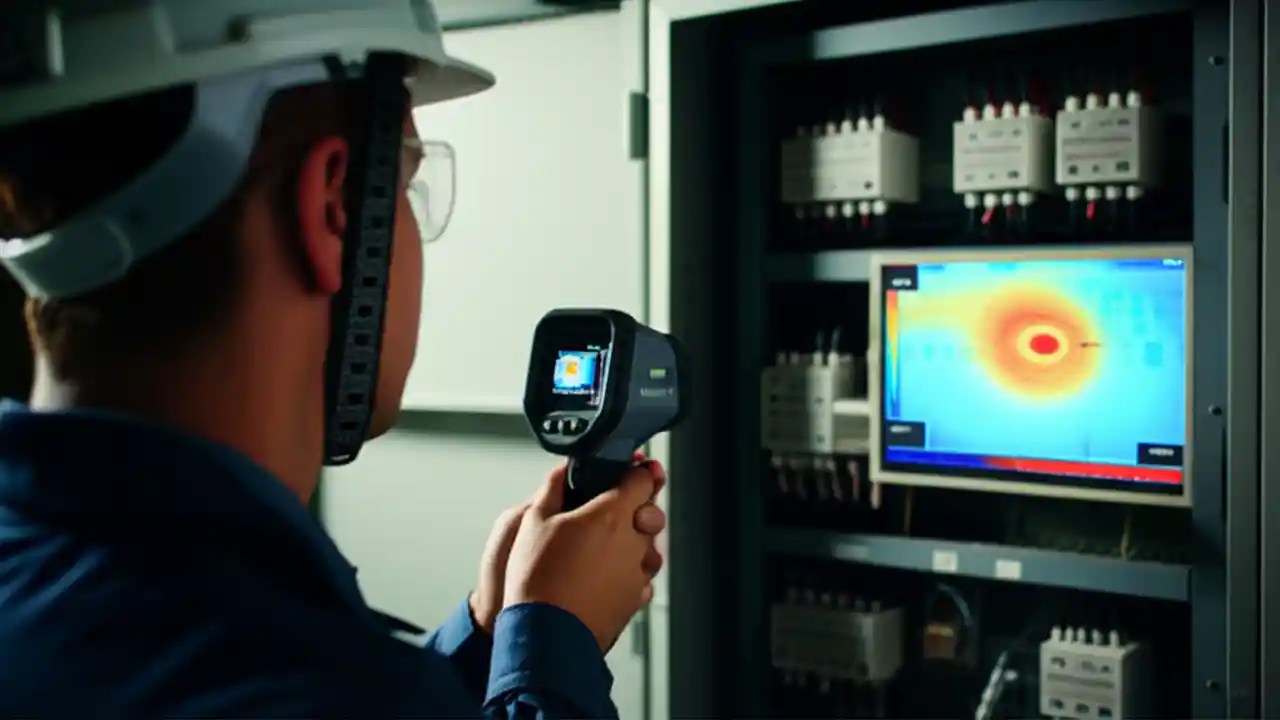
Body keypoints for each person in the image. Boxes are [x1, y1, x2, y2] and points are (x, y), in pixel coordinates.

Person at [0, 1, 667, 717]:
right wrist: (550, 655)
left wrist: (485, 637)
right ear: (331, 207)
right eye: (407, 182)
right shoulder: (307, 685)